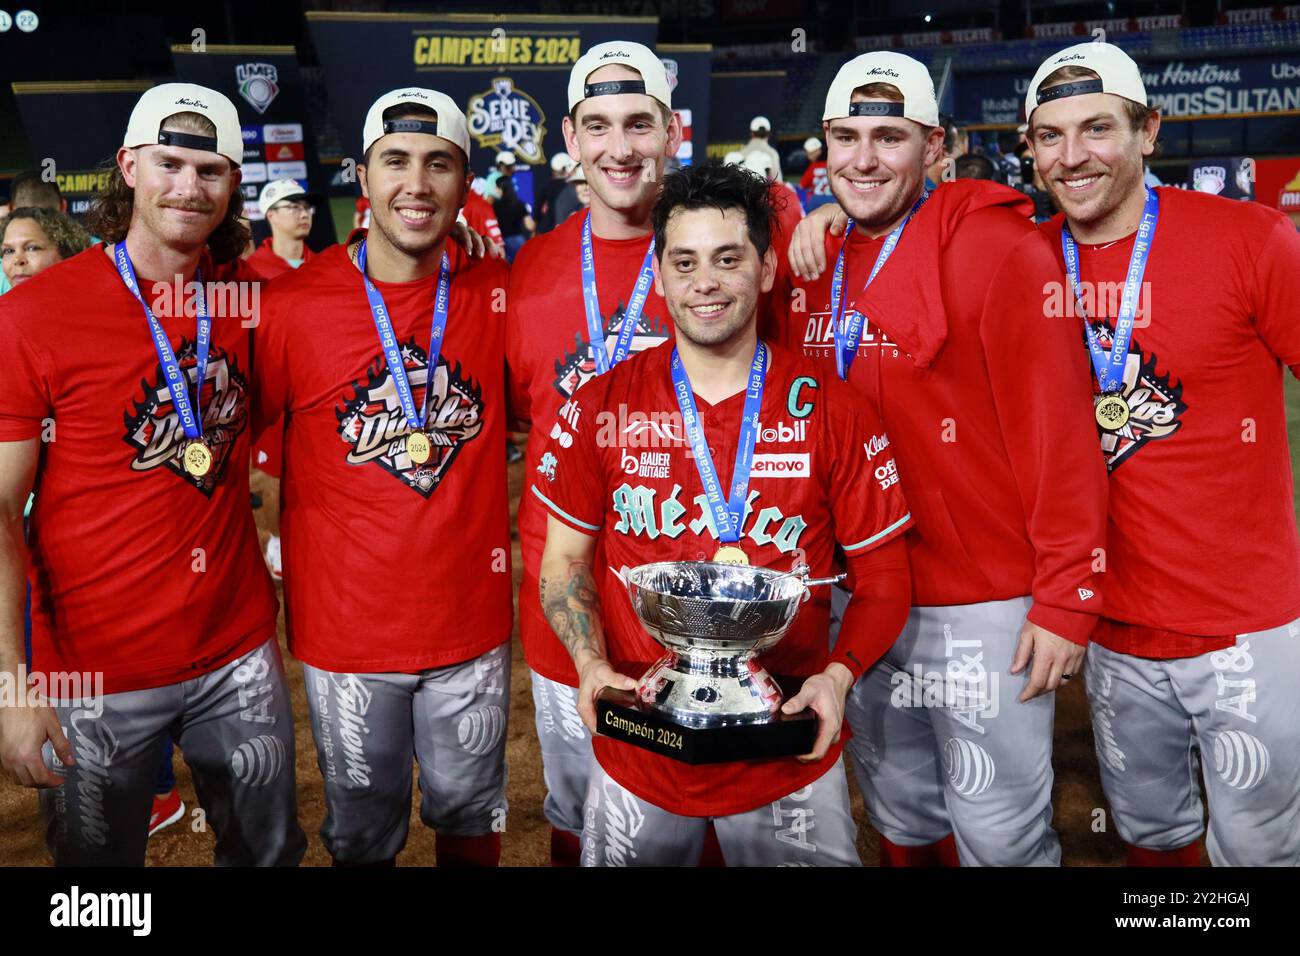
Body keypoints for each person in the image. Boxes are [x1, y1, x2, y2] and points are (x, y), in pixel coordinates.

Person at [534, 160, 913, 866]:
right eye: (685, 261)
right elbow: (563, 560)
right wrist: (588, 662)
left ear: (767, 269)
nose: (704, 282)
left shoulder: (833, 408)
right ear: (659, 273)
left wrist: (838, 677)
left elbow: (886, 574)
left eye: (728, 258)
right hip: (642, 751)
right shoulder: (600, 406)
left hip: (787, 748)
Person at [780, 52, 1107, 866]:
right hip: (860, 599)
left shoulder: (1001, 252)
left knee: (1001, 838)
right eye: (845, 137)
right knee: (901, 820)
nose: (863, 159)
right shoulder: (808, 266)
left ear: (936, 149)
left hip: (982, 605)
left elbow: (1060, 435)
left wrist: (1067, 596)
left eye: (889, 137)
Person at [0, 82, 306, 866]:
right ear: (129, 167)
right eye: (169, 162)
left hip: (236, 648)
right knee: (98, 885)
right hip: (90, 667)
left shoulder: (254, 303)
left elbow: (364, 300)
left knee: (267, 857)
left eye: (210, 170)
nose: (188, 187)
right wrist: (12, 686)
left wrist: (456, 252)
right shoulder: (36, 315)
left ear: (234, 184)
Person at [1018, 41, 1300, 867]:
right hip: (1104, 626)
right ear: (1029, 150)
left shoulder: (1252, 239)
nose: (1073, 157)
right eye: (1050, 136)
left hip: (1243, 626)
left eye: (1097, 128)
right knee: (1150, 835)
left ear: (1149, 131)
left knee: (1261, 849)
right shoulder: (1016, 257)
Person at [253, 87, 512, 867]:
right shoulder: (288, 306)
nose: (417, 183)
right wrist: (268, 549)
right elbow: (247, 455)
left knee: (472, 819)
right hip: (347, 633)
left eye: (440, 164)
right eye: (394, 161)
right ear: (360, 179)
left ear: (465, 185)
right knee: (363, 836)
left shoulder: (500, 292)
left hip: (471, 627)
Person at [505, 40, 682, 866]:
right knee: (578, 805)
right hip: (567, 600)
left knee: (703, 805)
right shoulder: (524, 272)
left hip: (695, 593)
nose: (621, 147)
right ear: (571, 139)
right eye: (599, 125)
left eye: (639, 123)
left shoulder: (731, 243)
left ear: (672, 131)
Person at [0, 171, 70, 295]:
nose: (18, 260)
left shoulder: (103, 257)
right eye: (8, 251)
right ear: (63, 206)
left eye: (32, 248)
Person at [248, 178, 320, 280]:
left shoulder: (321, 265)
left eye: (307, 208)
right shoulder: (252, 270)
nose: (304, 214)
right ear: (271, 215)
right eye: (294, 207)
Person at [493, 176, 534, 263]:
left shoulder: (495, 206)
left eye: (496, 187)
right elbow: (530, 226)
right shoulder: (519, 204)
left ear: (501, 188)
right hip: (517, 240)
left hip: (501, 242)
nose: (495, 189)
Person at [537, 152, 577, 234]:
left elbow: (537, 210)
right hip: (560, 230)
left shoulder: (548, 186)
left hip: (549, 230)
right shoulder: (573, 187)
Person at [741, 115, 782, 180]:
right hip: (763, 189)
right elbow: (778, 181)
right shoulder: (772, 153)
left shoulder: (742, 152)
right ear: (768, 133)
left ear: (751, 133)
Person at [799, 136, 832, 207]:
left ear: (819, 151)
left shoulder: (813, 167)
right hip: (834, 201)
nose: (808, 157)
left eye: (810, 154)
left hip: (816, 202)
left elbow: (801, 186)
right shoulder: (833, 164)